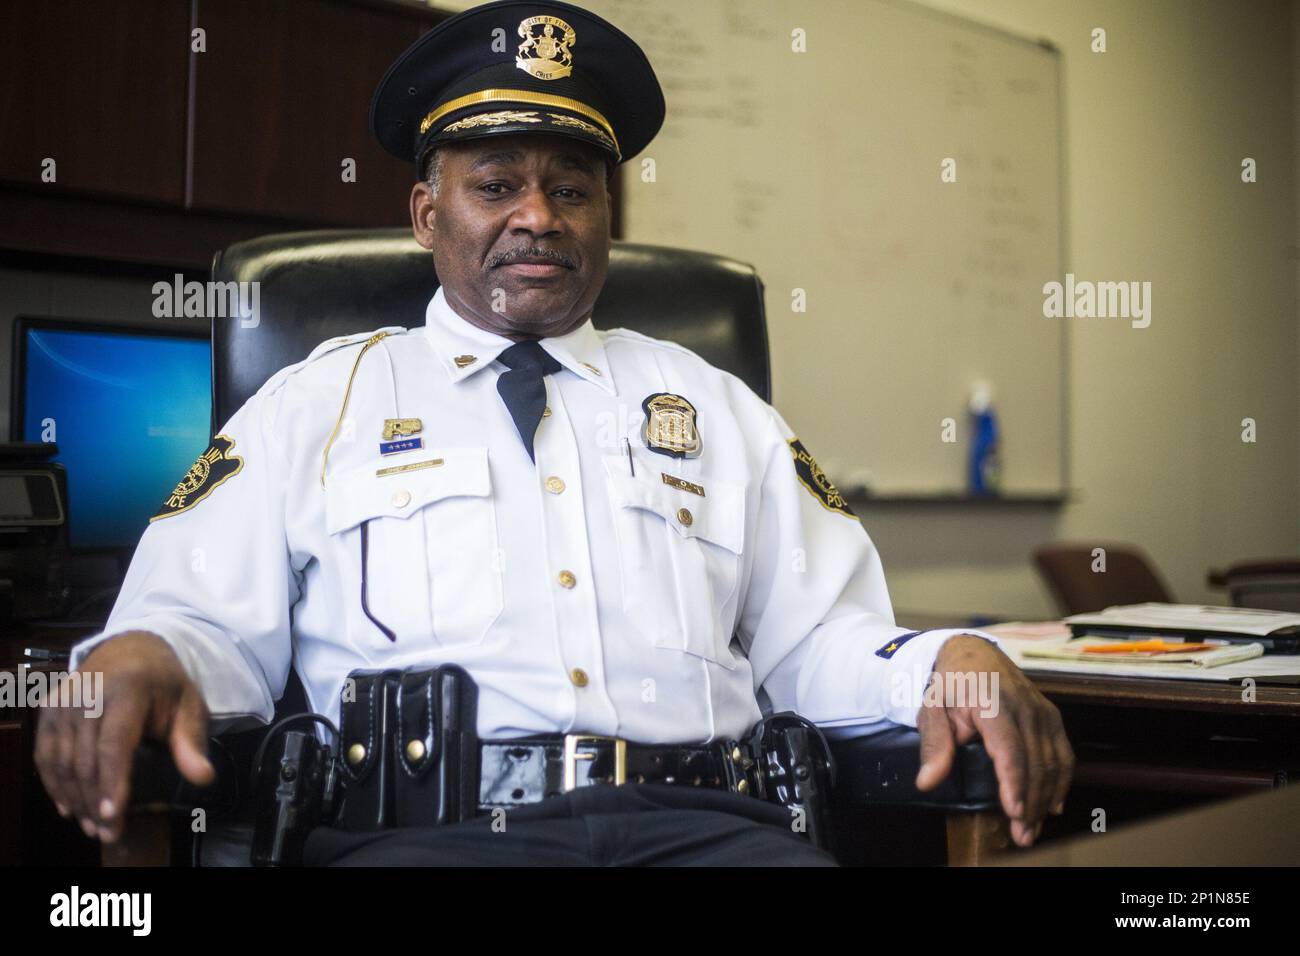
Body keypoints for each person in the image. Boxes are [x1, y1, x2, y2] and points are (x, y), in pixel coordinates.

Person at [36, 0, 1071, 864]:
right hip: (424, 836)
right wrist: (140, 651)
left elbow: (822, 641)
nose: (538, 215)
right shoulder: (320, 402)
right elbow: (199, 626)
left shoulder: (715, 407)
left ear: (606, 215)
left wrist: (946, 659)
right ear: (423, 213)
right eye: (495, 186)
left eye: (571, 188)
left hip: (712, 831)